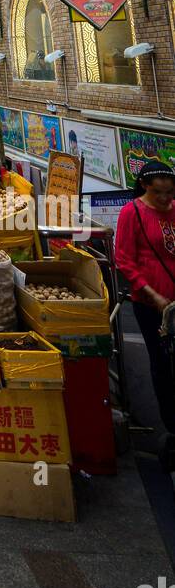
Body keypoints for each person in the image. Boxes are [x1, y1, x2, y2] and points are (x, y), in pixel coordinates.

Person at [115, 160, 175, 471]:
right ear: (144, 187)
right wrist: (153, 294)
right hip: (150, 305)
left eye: (170, 193)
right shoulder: (132, 213)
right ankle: (171, 425)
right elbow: (124, 259)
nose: (165, 199)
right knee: (162, 363)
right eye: (158, 193)